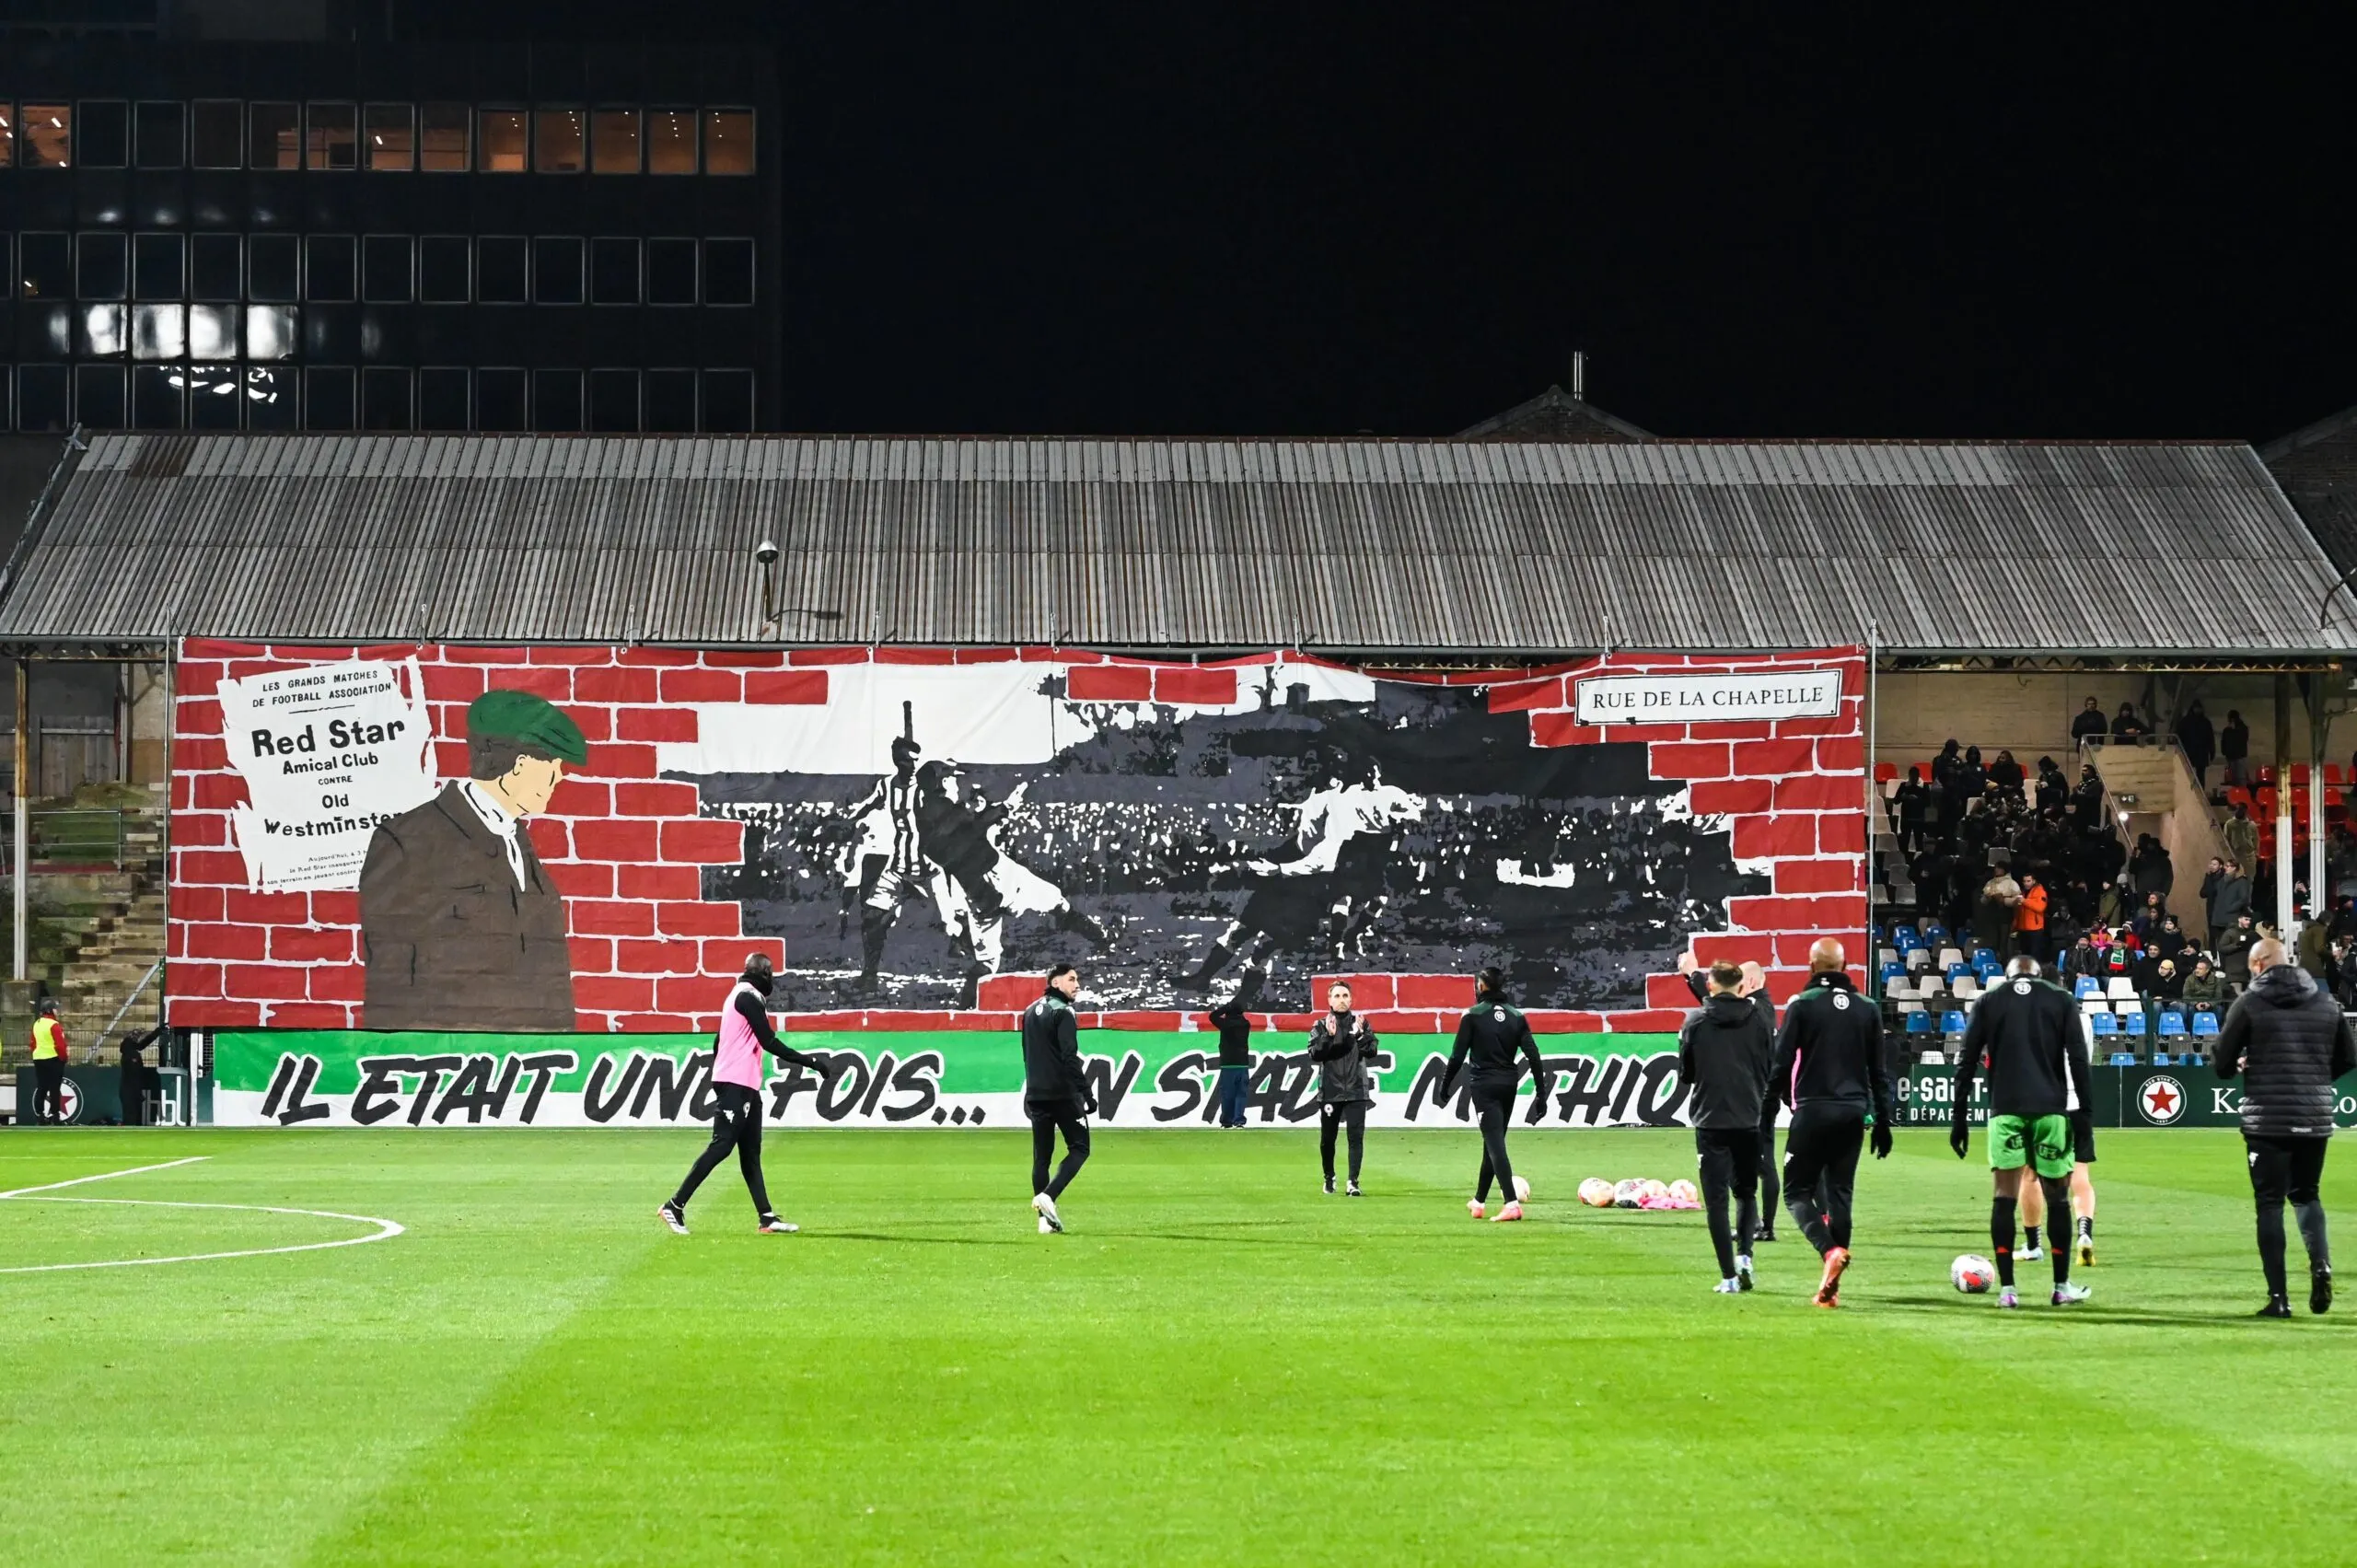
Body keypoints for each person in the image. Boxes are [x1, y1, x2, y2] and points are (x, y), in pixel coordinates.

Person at [358, 689, 586, 1031]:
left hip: (533, 1054)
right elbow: (391, 984)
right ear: (520, 766)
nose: (559, 778)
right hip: (454, 1055)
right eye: (553, 767)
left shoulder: (515, 838)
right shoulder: (407, 840)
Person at [2212, 937, 2355, 1316]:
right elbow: (2349, 1057)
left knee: (2270, 1204)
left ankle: (2279, 1299)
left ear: (2259, 963)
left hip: (2268, 1119)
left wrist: (2241, 1066)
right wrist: (2315, 1080)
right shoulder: (2326, 1002)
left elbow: (2221, 1061)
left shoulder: (2250, 1002)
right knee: (2308, 1195)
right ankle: (2321, 1264)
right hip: (2314, 1116)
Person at [1949, 957, 2094, 1307]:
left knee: (2004, 1196)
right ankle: (2061, 1287)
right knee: (2058, 1198)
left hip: (2006, 1111)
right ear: (2038, 975)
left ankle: (2008, 1291)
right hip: (2051, 1111)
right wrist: (2085, 1116)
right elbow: (2078, 1060)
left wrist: (1959, 1118)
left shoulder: (1988, 1001)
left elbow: (1966, 1059)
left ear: (2008, 975)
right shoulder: (2061, 1000)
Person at [658, 955, 831, 1237]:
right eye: (770, 974)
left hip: (744, 1084)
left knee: (750, 1154)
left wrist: (724, 1071)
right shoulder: (747, 997)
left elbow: (719, 1041)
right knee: (722, 1146)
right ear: (764, 974)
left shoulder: (736, 998)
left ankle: (766, 1218)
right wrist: (811, 1062)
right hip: (736, 1084)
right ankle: (674, 1206)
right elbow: (768, 1040)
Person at [1771, 938, 1897, 1307]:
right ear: (1845, 966)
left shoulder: (1802, 1005)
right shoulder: (1867, 1008)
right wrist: (1884, 1122)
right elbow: (1879, 1072)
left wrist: (1767, 1110)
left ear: (1811, 966)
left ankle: (1829, 1252)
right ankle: (1832, 1289)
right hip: (1852, 1113)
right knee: (1840, 1194)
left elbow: (1780, 1063)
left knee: (1796, 1193)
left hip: (1813, 1110)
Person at [1679, 960, 1774, 1294]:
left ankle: (1728, 1277)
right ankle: (1745, 1256)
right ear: (1741, 986)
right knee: (1746, 1192)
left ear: (1710, 985)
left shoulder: (1695, 1021)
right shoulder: (1759, 1019)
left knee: (1717, 1202)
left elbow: (1686, 1073)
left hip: (1711, 1120)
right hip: (1749, 1117)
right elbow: (1769, 1064)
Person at [1439, 966, 1552, 1223]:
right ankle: (1479, 1201)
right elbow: (1533, 1056)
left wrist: (1445, 1086)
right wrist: (1541, 1094)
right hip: (1509, 1084)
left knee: (1495, 1144)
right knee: (1492, 1142)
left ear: (1481, 986)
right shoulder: (1516, 1016)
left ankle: (1511, 1203)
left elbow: (1457, 1055)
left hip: (1484, 1085)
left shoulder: (1472, 1015)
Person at [1024, 963, 1100, 1233]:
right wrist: (1087, 1093)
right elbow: (1069, 1057)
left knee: (1041, 1158)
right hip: (1063, 1094)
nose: (1077, 985)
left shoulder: (1029, 1011)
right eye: (1071, 979)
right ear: (1055, 983)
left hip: (1036, 1093)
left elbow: (1028, 1054)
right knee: (1080, 1148)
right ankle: (1049, 1196)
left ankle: (1044, 1222)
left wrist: (1032, 1089)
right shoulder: (1064, 1012)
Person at [1306, 981, 1379, 1195]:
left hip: (1357, 1090)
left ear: (1351, 999)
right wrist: (1328, 1037)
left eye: (1345, 995)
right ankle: (1329, 1177)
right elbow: (1315, 1054)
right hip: (1331, 1091)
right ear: (1329, 1000)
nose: (1341, 1000)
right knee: (1328, 1139)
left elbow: (1372, 1050)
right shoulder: (1321, 1025)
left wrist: (1361, 1036)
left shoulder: (1360, 1023)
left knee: (1355, 1138)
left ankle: (1353, 1182)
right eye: (1337, 996)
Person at [1205, 996, 1252, 1128]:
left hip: (1228, 1064)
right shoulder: (1246, 1024)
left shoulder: (1225, 1024)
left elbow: (1212, 1016)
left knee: (1227, 1094)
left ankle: (1226, 1121)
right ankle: (1239, 1121)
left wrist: (1225, 1007)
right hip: (1243, 1063)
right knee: (1241, 1094)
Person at [29, 998, 69, 1124]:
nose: (57, 1011)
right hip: (53, 1059)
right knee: (54, 1088)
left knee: (41, 1087)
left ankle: (39, 1114)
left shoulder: (37, 1023)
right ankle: (55, 1115)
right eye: (55, 1008)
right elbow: (60, 1044)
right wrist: (64, 1058)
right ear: (50, 1010)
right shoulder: (54, 1024)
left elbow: (33, 1043)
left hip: (39, 1058)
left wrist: (37, 1053)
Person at [2176, 700, 2215, 785]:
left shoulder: (2185, 721)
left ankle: (2191, 790)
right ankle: (2200, 790)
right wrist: (2212, 752)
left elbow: (2179, 736)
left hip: (2189, 751)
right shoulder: (2205, 722)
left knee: (2188, 774)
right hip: (2200, 752)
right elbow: (2210, 739)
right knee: (2200, 775)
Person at [2014, 872, 2049, 961]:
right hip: (2023, 928)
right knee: (2024, 955)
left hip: (2035, 929)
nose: (2026, 883)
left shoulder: (2041, 892)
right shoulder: (2022, 892)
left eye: (2028, 881)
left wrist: (2025, 901)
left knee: (2035, 954)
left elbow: (2040, 907)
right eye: (2024, 881)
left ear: (2034, 881)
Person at [2223, 807, 2260, 883]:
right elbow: (2227, 838)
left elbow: (2256, 839)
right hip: (2236, 854)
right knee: (2235, 877)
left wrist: (2256, 852)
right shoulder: (2230, 824)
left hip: (2249, 855)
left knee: (2249, 877)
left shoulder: (2251, 825)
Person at [2221, 710, 2252, 788]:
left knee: (2241, 778)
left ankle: (2242, 792)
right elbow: (2224, 742)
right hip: (2231, 756)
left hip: (2239, 756)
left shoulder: (2243, 728)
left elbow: (2244, 739)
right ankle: (2236, 792)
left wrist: (2234, 730)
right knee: (2233, 778)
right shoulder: (2227, 730)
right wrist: (2224, 752)